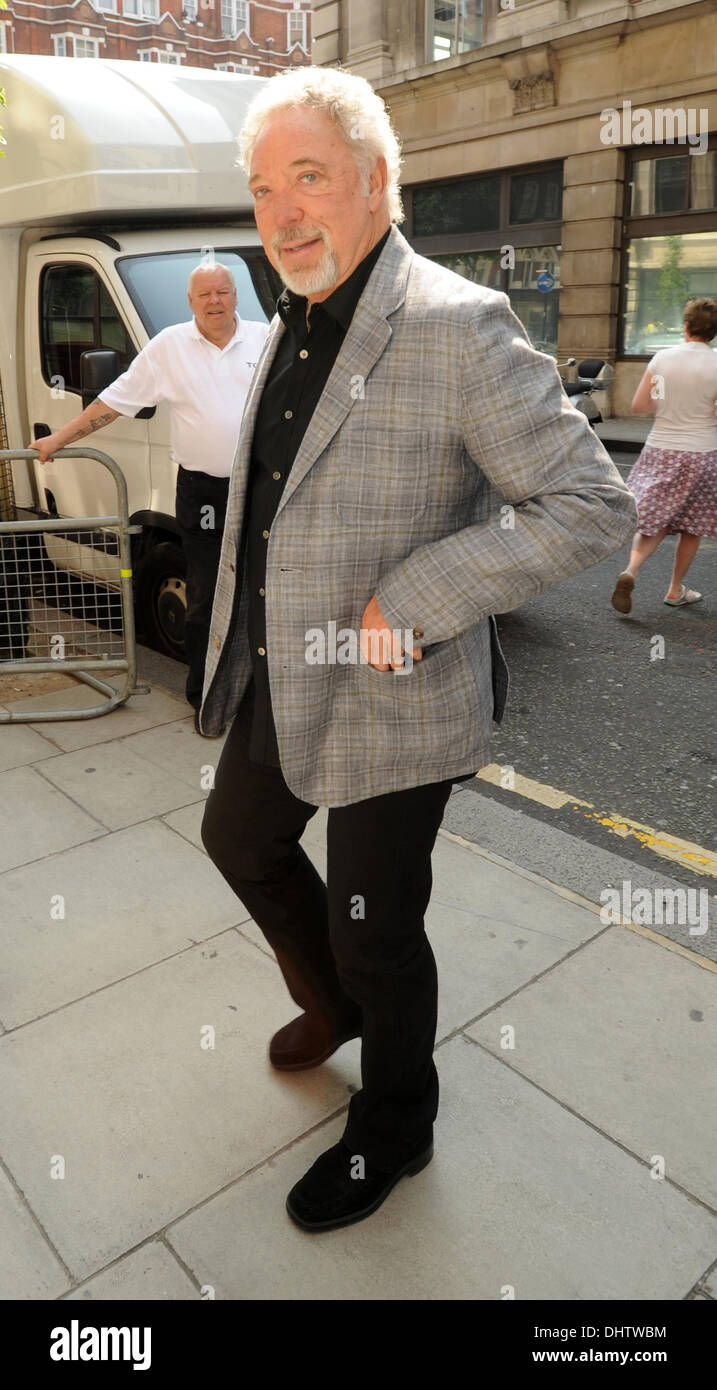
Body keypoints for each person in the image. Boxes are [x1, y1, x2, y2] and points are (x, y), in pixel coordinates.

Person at [198, 65, 638, 1233]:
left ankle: (397, 1120)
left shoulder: (455, 324)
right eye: (261, 190)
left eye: (308, 178)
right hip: (283, 675)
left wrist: (426, 588)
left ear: (378, 181)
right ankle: (337, 1007)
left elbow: (593, 505)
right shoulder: (290, 309)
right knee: (235, 837)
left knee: (375, 927)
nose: (282, 212)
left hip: (397, 690)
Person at [28, 263, 269, 728]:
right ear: (191, 301)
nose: (215, 301)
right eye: (205, 294)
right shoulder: (169, 348)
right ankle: (207, 700)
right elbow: (113, 402)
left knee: (262, 592)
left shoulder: (266, 338)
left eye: (223, 291)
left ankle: (261, 697)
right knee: (205, 596)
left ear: (236, 295)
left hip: (261, 486)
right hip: (204, 492)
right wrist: (59, 439)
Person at [611, 297, 717, 614]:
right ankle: (675, 590)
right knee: (691, 526)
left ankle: (631, 569)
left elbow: (641, 405)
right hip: (702, 452)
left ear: (686, 325)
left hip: (660, 449)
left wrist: (669, 398)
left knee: (653, 520)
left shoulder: (663, 358)